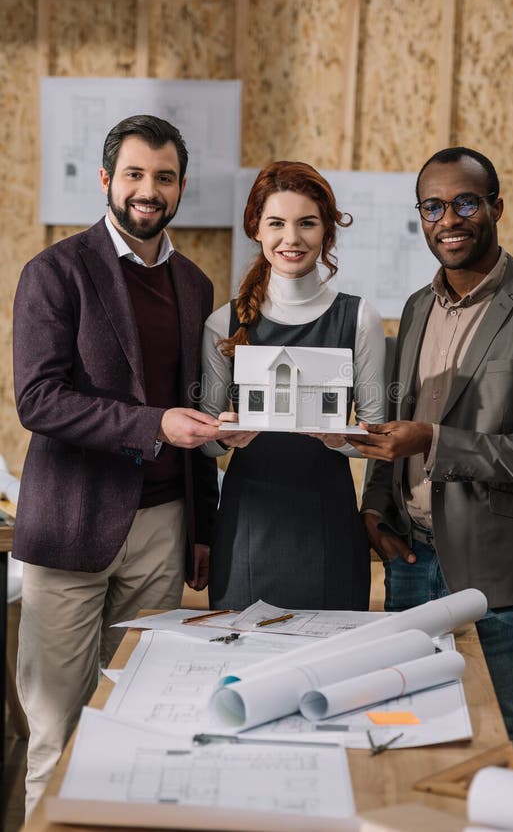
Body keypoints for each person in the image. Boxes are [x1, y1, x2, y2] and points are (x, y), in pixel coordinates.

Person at [350, 146, 513, 774]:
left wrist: (434, 439)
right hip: (410, 558)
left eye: (465, 202)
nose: (448, 218)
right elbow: (392, 421)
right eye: (433, 206)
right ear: (421, 216)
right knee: (411, 736)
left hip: (499, 568)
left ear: (495, 207)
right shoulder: (417, 307)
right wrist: (376, 508)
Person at [12, 114, 226, 812]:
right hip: (72, 528)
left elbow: (191, 404)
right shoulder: (54, 272)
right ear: (106, 179)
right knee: (54, 728)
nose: (148, 189)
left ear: (181, 187)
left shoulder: (195, 287)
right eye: (134, 174)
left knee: (134, 718)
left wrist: (203, 528)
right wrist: (151, 423)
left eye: (163, 177)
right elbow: (40, 401)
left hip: (163, 527)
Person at [200, 160, 386, 611]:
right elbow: (206, 445)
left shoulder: (360, 317)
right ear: (256, 230)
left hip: (329, 524)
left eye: (307, 223)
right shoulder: (223, 321)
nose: (291, 238)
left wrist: (342, 440)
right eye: (276, 223)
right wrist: (222, 434)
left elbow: (377, 435)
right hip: (248, 526)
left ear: (327, 231)